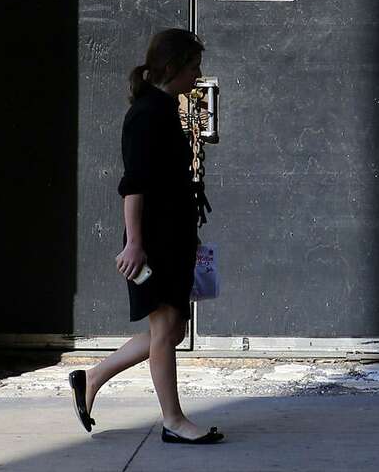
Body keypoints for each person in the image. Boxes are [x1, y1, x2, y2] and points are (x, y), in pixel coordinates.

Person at [69, 27, 223, 446]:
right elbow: (133, 184)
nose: (198, 75)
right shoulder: (147, 114)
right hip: (154, 240)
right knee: (165, 328)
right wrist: (134, 243)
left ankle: (93, 378)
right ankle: (173, 420)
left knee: (169, 332)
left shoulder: (164, 107)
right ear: (172, 67)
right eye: (193, 67)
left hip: (173, 236)